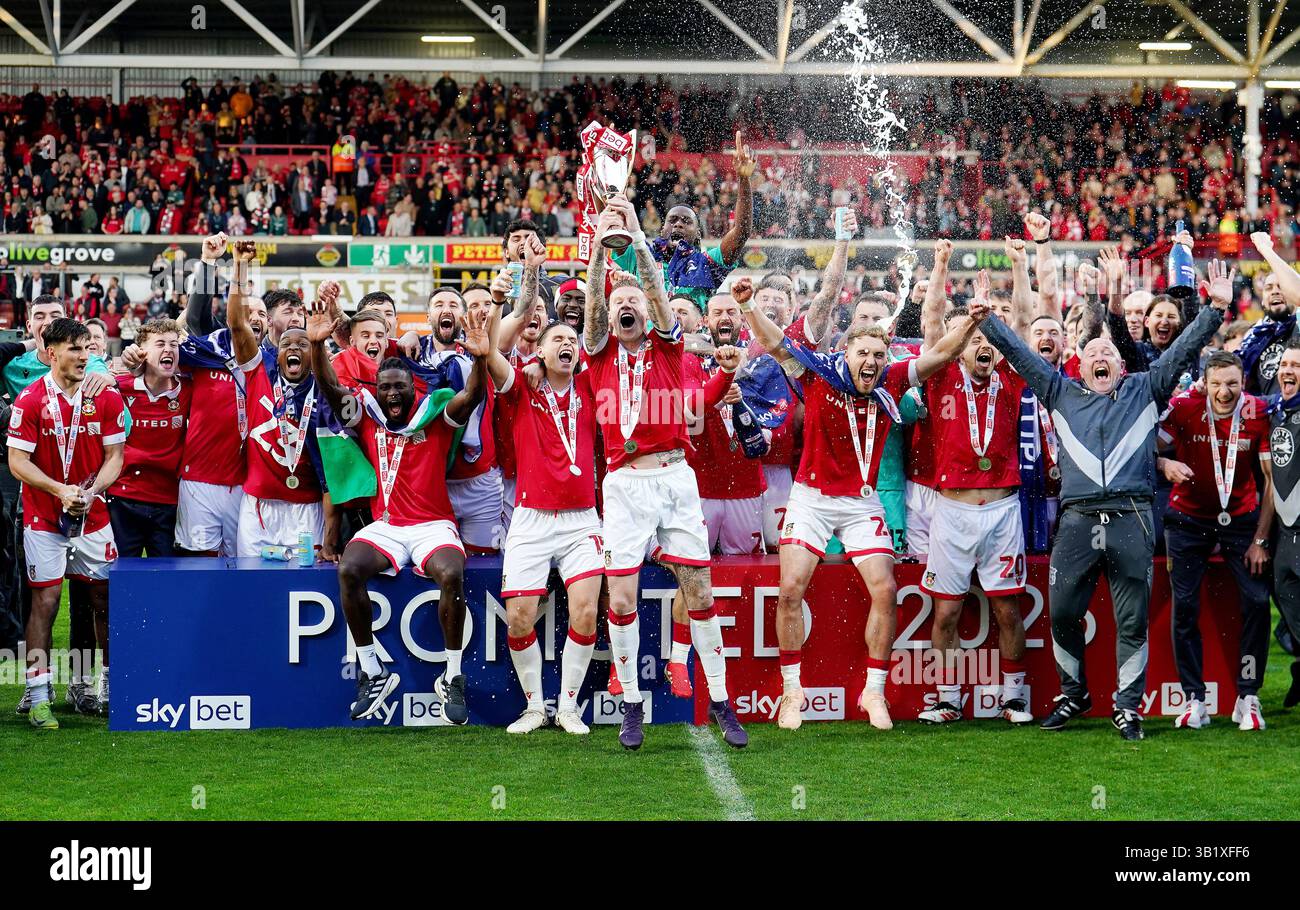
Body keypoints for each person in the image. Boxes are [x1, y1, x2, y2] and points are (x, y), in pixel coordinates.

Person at [978, 258, 1231, 741]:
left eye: (1109, 354)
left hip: (1131, 519)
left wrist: (1215, 310)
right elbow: (1020, 355)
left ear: (1120, 364)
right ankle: (1074, 693)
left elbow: (1181, 352)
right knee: (1063, 612)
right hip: (1076, 521)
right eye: (1093, 352)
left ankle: (1128, 709)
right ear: (1081, 363)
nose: (1101, 358)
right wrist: (988, 319)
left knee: (1131, 620)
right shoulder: (1060, 390)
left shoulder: (1146, 389)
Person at [737, 275, 990, 732]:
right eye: (863, 354)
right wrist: (750, 306)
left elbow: (940, 355)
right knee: (791, 587)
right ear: (845, 353)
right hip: (811, 499)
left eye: (878, 355)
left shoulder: (891, 378)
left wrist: (970, 325)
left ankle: (873, 692)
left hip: (861, 502)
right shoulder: (819, 373)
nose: (871, 362)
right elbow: (775, 344)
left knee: (887, 590)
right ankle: (792, 691)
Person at [584, 195, 748, 750]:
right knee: (622, 598)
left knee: (699, 591)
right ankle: (631, 703)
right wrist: (597, 256)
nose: (628, 303)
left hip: (676, 478)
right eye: (619, 300)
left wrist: (630, 225)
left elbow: (654, 283)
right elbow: (592, 300)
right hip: (625, 484)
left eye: (635, 299)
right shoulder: (598, 352)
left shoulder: (670, 349)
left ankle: (721, 701)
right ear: (611, 313)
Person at [308, 294, 490, 725]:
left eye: (398, 387)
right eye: (385, 387)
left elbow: (472, 394)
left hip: (432, 526)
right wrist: (318, 347)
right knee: (349, 568)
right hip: (387, 526)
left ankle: (453, 675)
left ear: (413, 388)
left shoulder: (435, 414)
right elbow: (332, 390)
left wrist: (481, 359)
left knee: (451, 573)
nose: (391, 393)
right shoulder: (368, 415)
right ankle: (372, 672)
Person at [916, 267, 1034, 727]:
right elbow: (932, 321)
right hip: (952, 511)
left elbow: (1023, 324)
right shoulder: (940, 377)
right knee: (946, 610)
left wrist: (1020, 265)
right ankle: (946, 698)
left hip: (1002, 512)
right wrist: (941, 264)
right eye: (974, 339)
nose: (983, 346)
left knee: (1007, 607)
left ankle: (1014, 697)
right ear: (958, 347)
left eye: (990, 340)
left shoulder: (1010, 381)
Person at [481, 315, 603, 735]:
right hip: (530, 519)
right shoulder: (522, 387)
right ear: (542, 350)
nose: (568, 344)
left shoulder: (589, 386)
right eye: (559, 340)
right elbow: (491, 354)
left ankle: (568, 706)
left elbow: (605, 343)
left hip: (582, 519)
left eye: (573, 340)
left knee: (586, 612)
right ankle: (535, 707)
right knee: (519, 618)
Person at [7, 318, 125, 729]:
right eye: (74, 348)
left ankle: (110, 687)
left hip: (93, 516)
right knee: (46, 602)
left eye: (87, 348)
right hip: (44, 515)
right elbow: (17, 461)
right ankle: (39, 696)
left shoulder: (104, 397)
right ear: (51, 351)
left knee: (105, 600)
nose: (83, 355)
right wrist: (59, 490)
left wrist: (90, 493)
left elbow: (116, 457)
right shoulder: (30, 400)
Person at [1158, 350, 1273, 731]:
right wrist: (1164, 464)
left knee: (1257, 601)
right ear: (1204, 384)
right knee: (1185, 606)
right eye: (1216, 384)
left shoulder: (1258, 413)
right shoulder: (1182, 407)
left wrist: (1260, 538)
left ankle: (1248, 696)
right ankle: (1194, 700)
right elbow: (1146, 445)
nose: (1224, 392)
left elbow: (1271, 482)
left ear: (1244, 383)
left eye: (1233, 384)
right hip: (1188, 520)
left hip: (1241, 520)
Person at [227, 241, 324, 558]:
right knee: (253, 586)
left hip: (307, 507)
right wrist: (240, 267)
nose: (294, 348)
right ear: (275, 352)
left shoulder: (323, 385)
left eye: (303, 343)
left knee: (305, 585)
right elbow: (237, 324)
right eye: (287, 344)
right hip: (259, 505)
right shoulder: (258, 372)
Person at [612, 130, 754, 311]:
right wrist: (609, 179)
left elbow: (741, 232)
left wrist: (743, 178)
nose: (678, 224)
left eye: (687, 221)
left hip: (691, 339)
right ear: (662, 230)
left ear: (697, 233)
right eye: (672, 220)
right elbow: (613, 230)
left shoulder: (707, 264)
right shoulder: (640, 258)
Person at [109, 318, 191, 558]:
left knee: (166, 579)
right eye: (160, 344)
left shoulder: (187, 389)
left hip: (168, 500)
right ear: (141, 352)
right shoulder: (118, 387)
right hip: (124, 497)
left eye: (174, 344)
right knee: (121, 576)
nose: (168, 349)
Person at [1265, 341, 1300, 710]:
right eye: (1284, 364)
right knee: (1290, 606)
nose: (1288, 370)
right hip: (1284, 531)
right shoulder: (1275, 409)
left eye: (1296, 365)